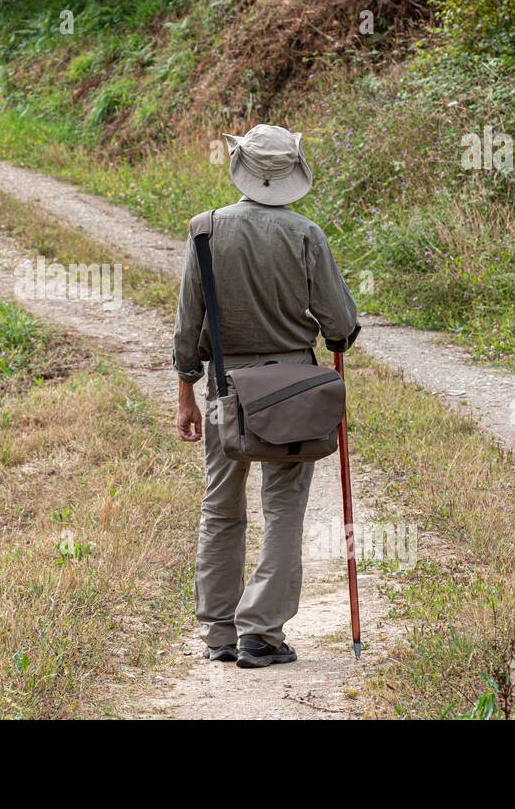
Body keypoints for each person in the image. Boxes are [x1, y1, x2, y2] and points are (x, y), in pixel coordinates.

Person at [172, 124, 361, 668]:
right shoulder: (306, 235)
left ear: (240, 167)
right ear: (292, 174)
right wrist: (337, 333)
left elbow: (189, 326)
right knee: (283, 512)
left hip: (224, 390)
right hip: (292, 393)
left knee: (220, 507)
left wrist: (185, 393)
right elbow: (340, 326)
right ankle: (262, 633)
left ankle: (219, 634)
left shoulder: (204, 231)